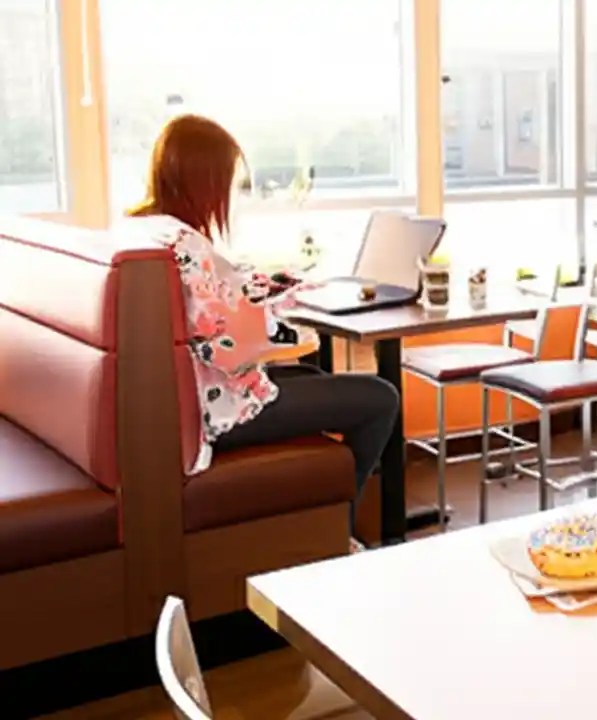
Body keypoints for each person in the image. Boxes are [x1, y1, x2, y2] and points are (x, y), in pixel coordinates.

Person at [127, 114, 398, 544]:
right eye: (226, 182)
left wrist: (265, 288)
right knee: (380, 397)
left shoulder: (145, 229)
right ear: (205, 180)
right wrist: (289, 326)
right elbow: (235, 345)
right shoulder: (186, 245)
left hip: (179, 402)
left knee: (314, 380)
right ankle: (339, 533)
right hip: (214, 414)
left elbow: (211, 302)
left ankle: (326, 525)